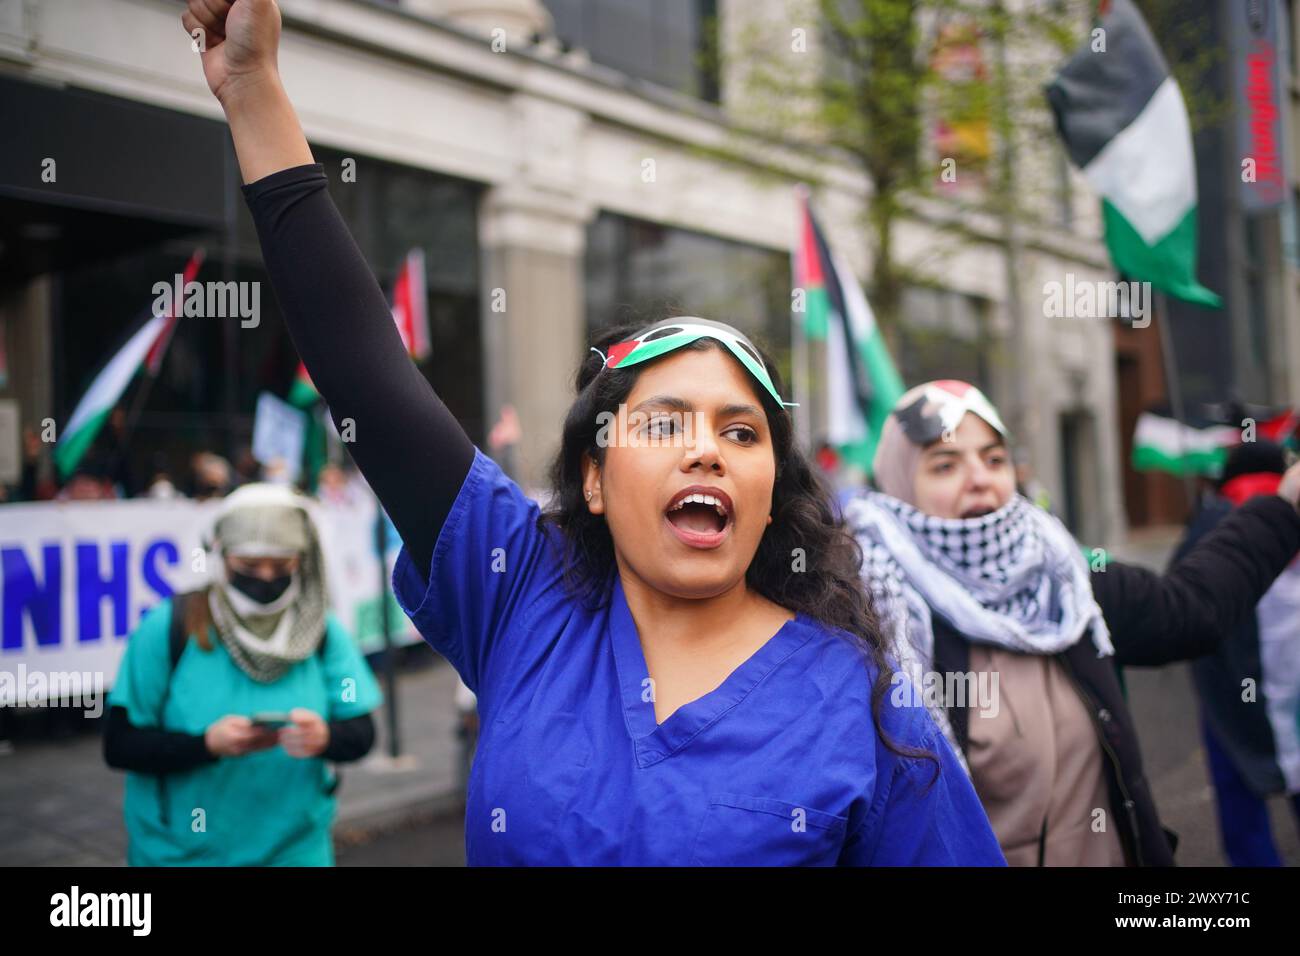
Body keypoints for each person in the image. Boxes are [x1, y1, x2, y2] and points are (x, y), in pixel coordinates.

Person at [181, 0, 1005, 866]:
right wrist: (252, 86)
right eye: (664, 422)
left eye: (742, 432)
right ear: (594, 479)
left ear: (772, 496)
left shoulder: (863, 702)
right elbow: (366, 378)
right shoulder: (517, 590)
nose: (707, 449)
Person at [846, 380, 1300, 866]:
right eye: (945, 464)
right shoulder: (873, 620)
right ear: (897, 482)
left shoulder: (1066, 578)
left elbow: (1190, 609)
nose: (980, 478)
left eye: (994, 459)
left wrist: (1284, 506)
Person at [103, 482, 383, 865]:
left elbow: (361, 729)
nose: (265, 578)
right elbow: (120, 743)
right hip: (185, 854)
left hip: (296, 850)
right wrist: (206, 745)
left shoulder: (322, 632)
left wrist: (326, 736)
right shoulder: (169, 627)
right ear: (221, 554)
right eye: (249, 566)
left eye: (282, 565)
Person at [1171, 440, 1300, 866]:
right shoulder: (1287, 507)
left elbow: (1178, 605)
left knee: (1244, 818)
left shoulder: (1213, 520)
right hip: (1291, 687)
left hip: (1233, 695)